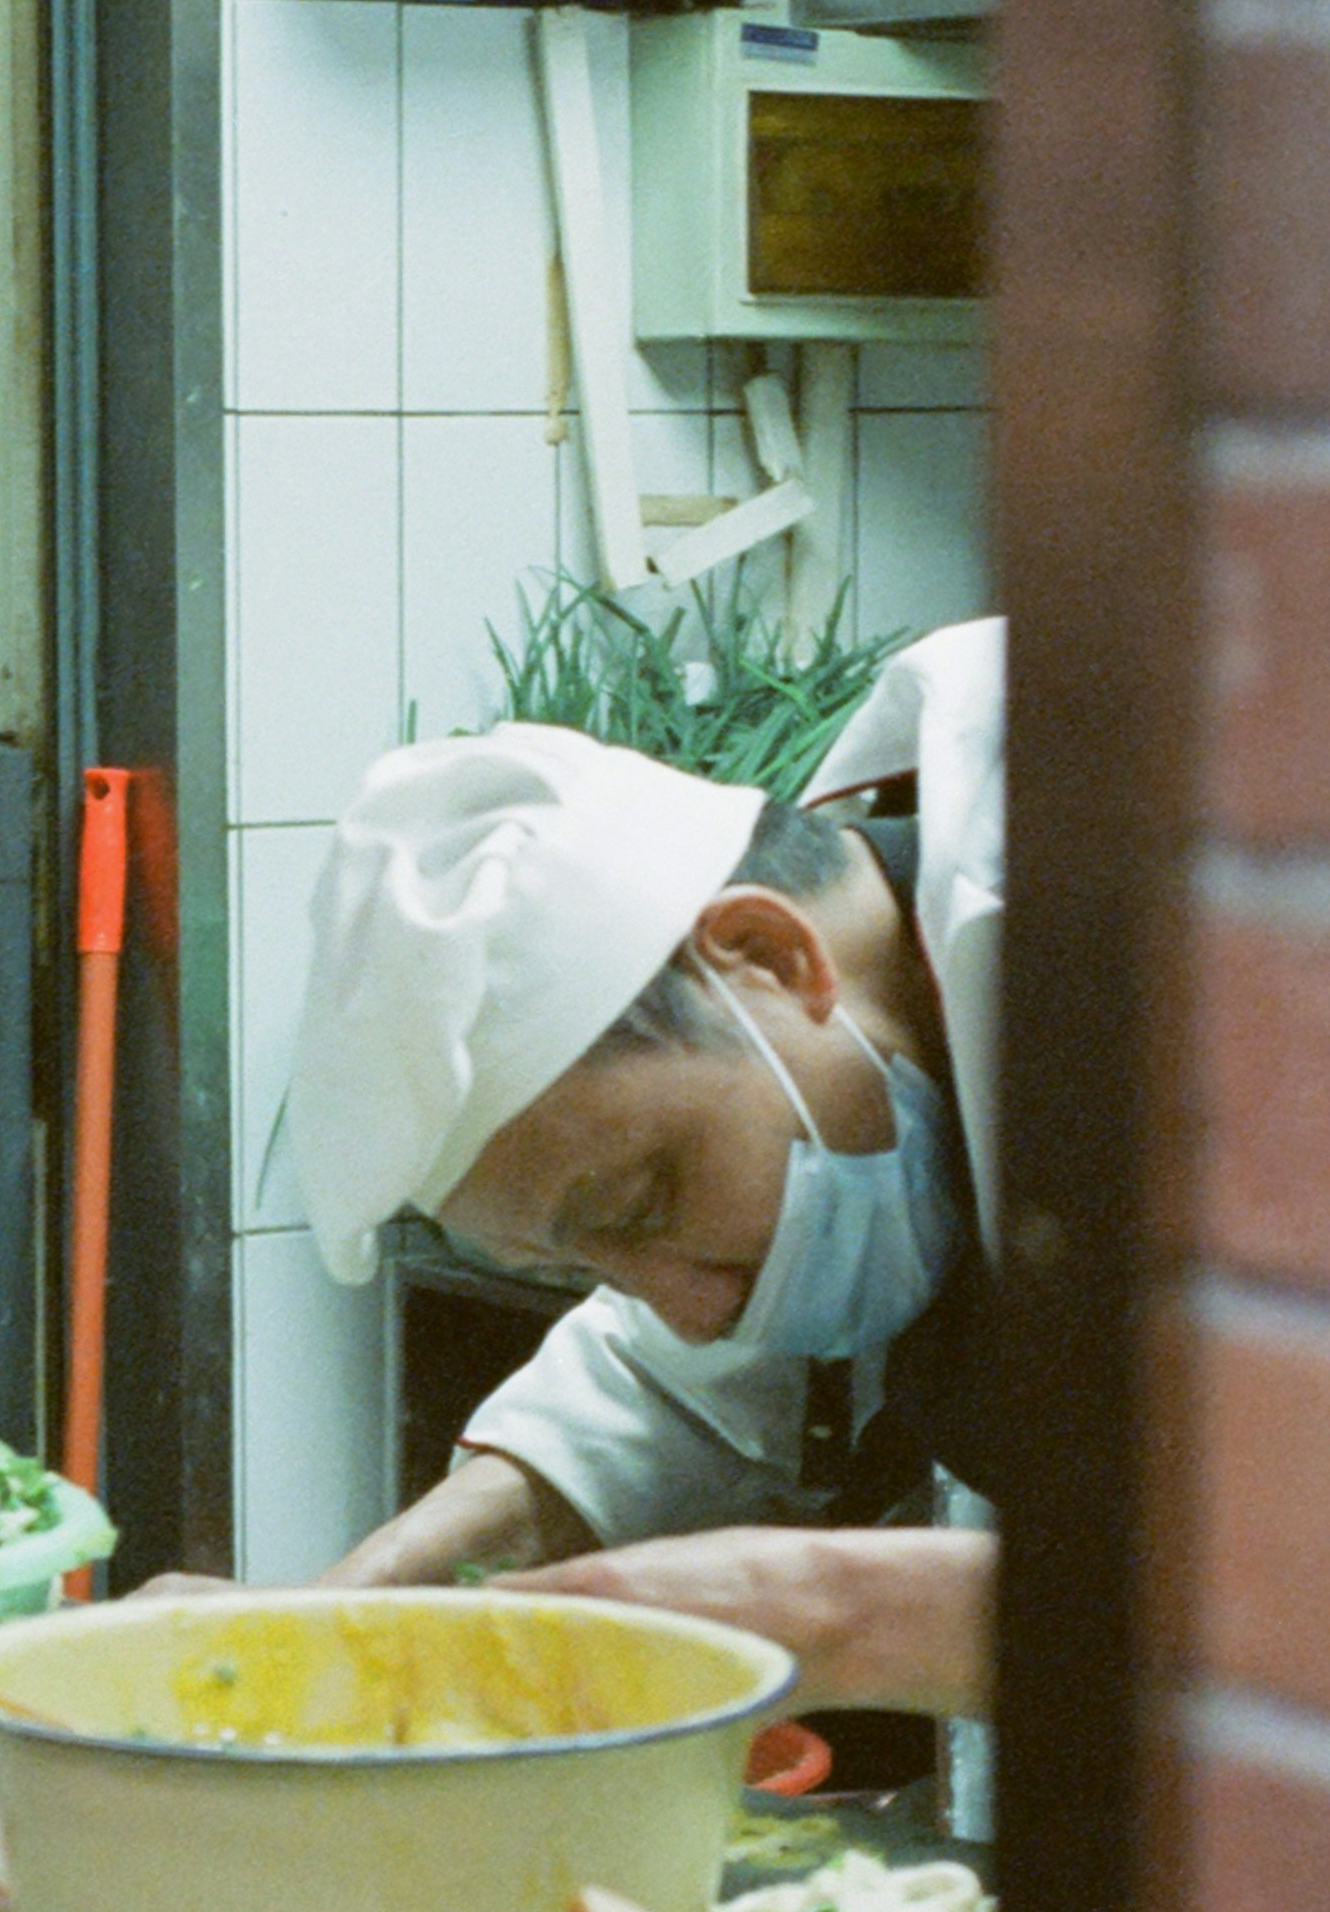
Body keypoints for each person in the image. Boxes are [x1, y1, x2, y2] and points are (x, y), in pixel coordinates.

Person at [278, 620, 1005, 1714]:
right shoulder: (830, 1016)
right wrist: (334, 1621)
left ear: (766, 954)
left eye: (645, 1197)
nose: (698, 1311)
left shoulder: (1204, 938)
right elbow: (670, 1387)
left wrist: (821, 1604)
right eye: (593, 1260)